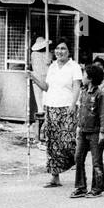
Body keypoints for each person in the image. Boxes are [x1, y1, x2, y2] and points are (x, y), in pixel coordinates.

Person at [30, 41, 81, 186]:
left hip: (67, 107)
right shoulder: (52, 67)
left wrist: (73, 105)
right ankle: (55, 177)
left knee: (68, 142)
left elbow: (77, 87)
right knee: (52, 143)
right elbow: (46, 87)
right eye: (57, 48)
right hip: (51, 107)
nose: (60, 51)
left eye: (63, 48)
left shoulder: (74, 67)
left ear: (69, 51)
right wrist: (34, 78)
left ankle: (79, 169)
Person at [71, 63, 104, 198]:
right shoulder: (83, 92)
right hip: (82, 131)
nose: (82, 77)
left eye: (84, 75)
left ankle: (97, 188)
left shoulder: (100, 95)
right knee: (78, 157)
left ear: (91, 78)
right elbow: (80, 111)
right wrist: (77, 128)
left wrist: (102, 133)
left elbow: (103, 114)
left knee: (96, 161)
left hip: (95, 132)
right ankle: (80, 187)